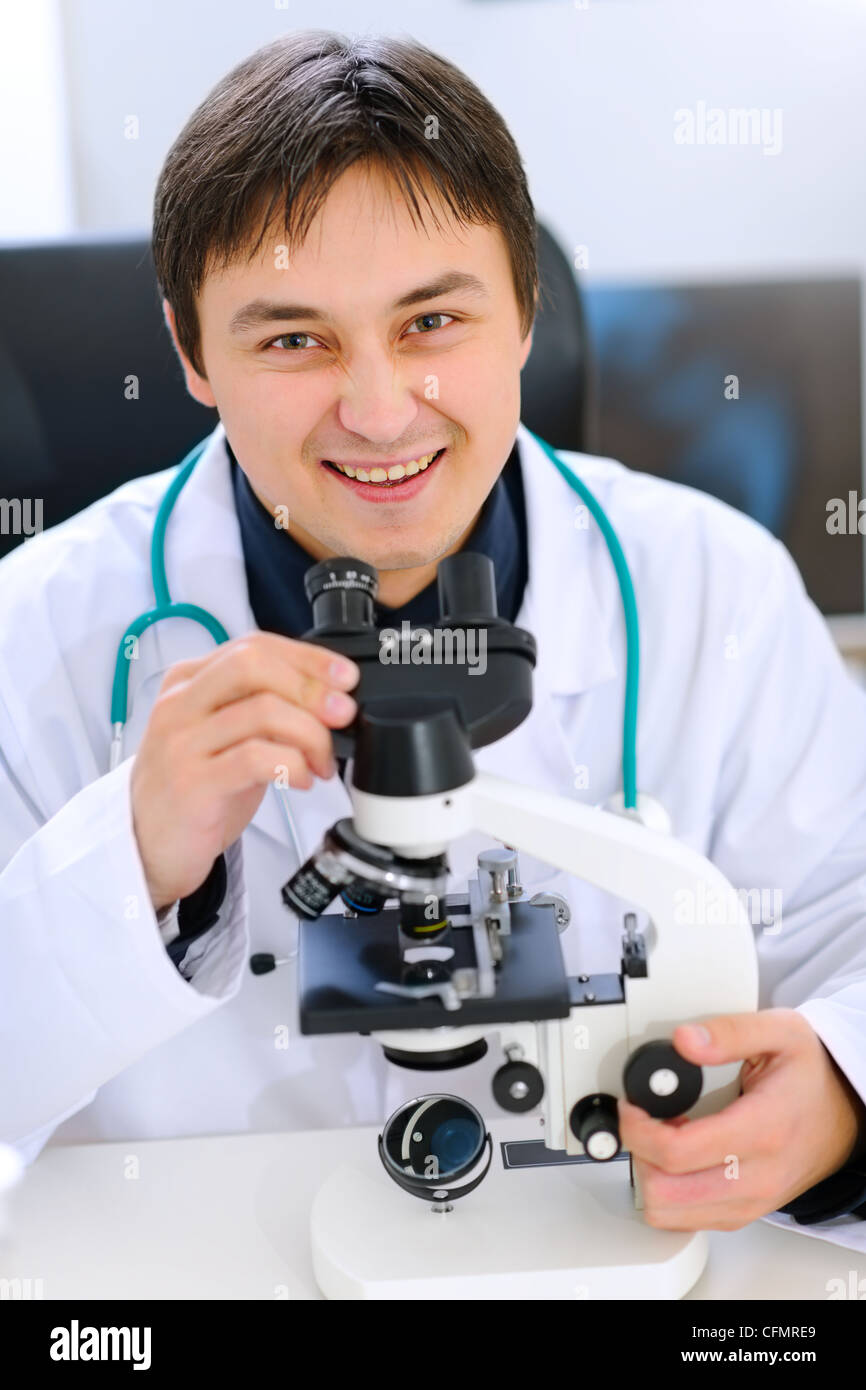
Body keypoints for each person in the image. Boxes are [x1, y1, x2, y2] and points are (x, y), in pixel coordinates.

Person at [1, 30, 865, 1241]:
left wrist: (838, 1089)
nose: (373, 410)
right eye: (292, 338)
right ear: (191, 353)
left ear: (523, 314)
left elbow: (849, 920)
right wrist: (127, 864)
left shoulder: (711, 590)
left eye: (430, 323)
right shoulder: (38, 629)